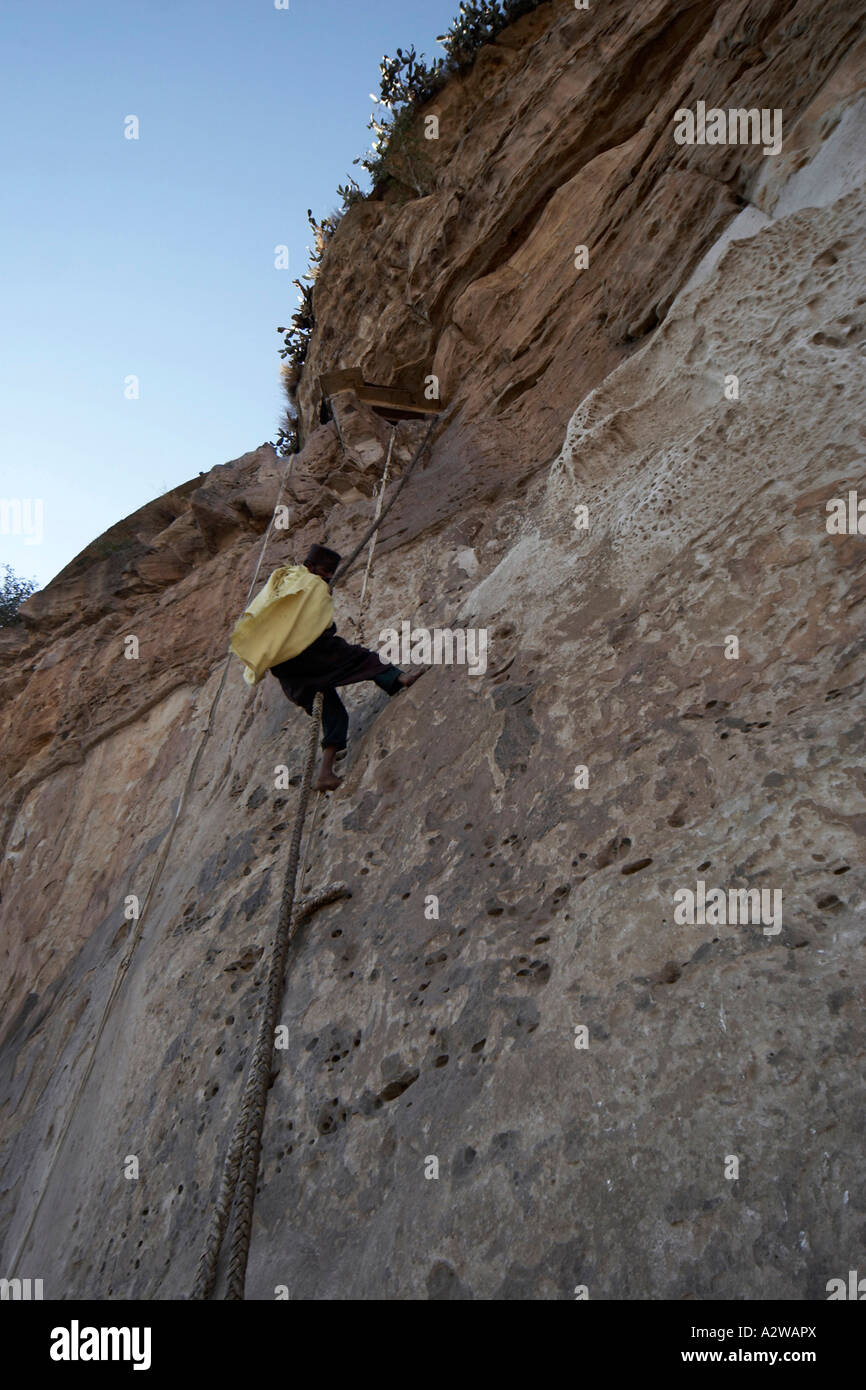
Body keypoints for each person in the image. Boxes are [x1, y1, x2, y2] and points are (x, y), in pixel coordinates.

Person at [269, 543, 424, 791]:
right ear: (310, 566)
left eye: (332, 571)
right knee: (363, 658)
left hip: (290, 675)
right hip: (310, 657)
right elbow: (315, 626)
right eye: (325, 570)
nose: (329, 575)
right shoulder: (306, 585)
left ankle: (325, 774)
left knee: (334, 714)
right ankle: (399, 679)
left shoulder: (283, 589)